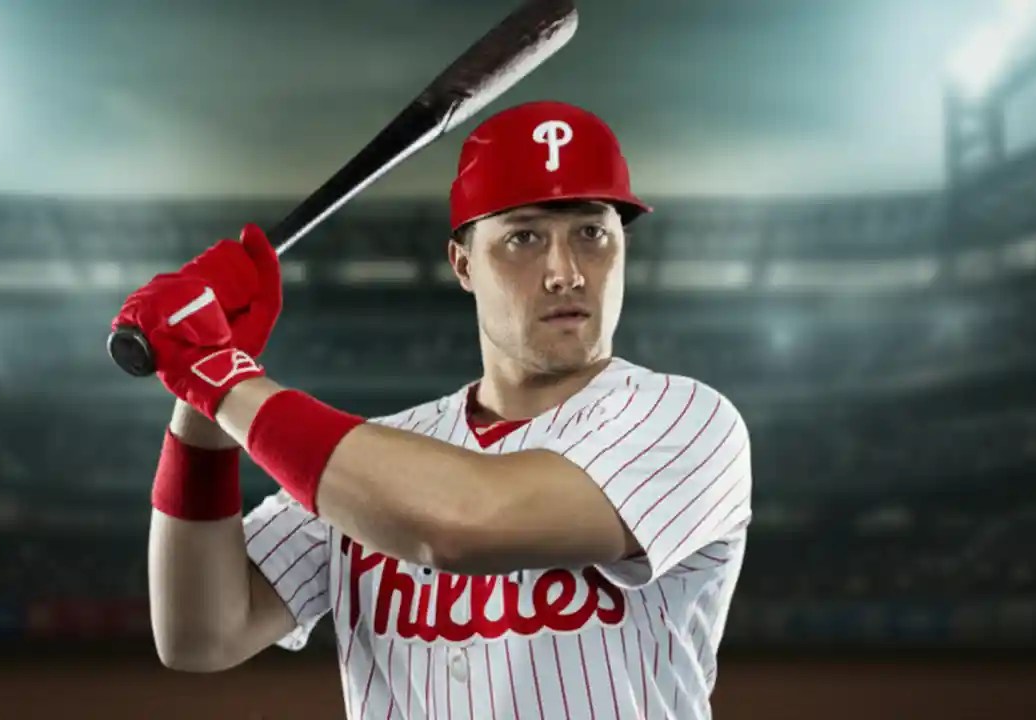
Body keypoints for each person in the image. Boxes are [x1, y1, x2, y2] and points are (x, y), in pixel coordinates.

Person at [113, 100, 753, 720]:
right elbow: (201, 635)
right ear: (462, 263)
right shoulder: (374, 457)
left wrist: (222, 376)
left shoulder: (687, 420)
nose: (566, 272)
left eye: (591, 233)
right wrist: (201, 397)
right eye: (524, 237)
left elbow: (464, 521)